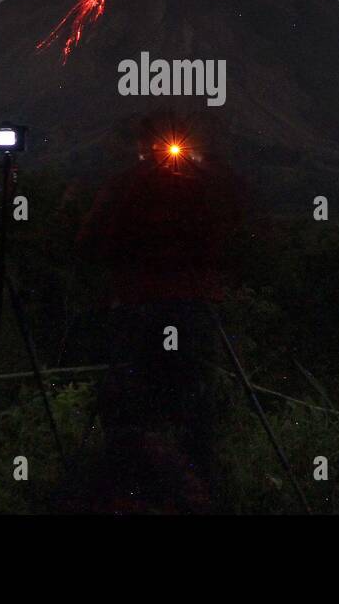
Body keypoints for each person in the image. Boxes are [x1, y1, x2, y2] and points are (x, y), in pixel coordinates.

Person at [77, 114, 244, 511]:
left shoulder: (125, 185)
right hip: (193, 311)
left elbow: (90, 240)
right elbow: (233, 239)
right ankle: (195, 492)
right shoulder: (205, 188)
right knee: (194, 406)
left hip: (137, 310)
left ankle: (133, 494)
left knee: (131, 409)